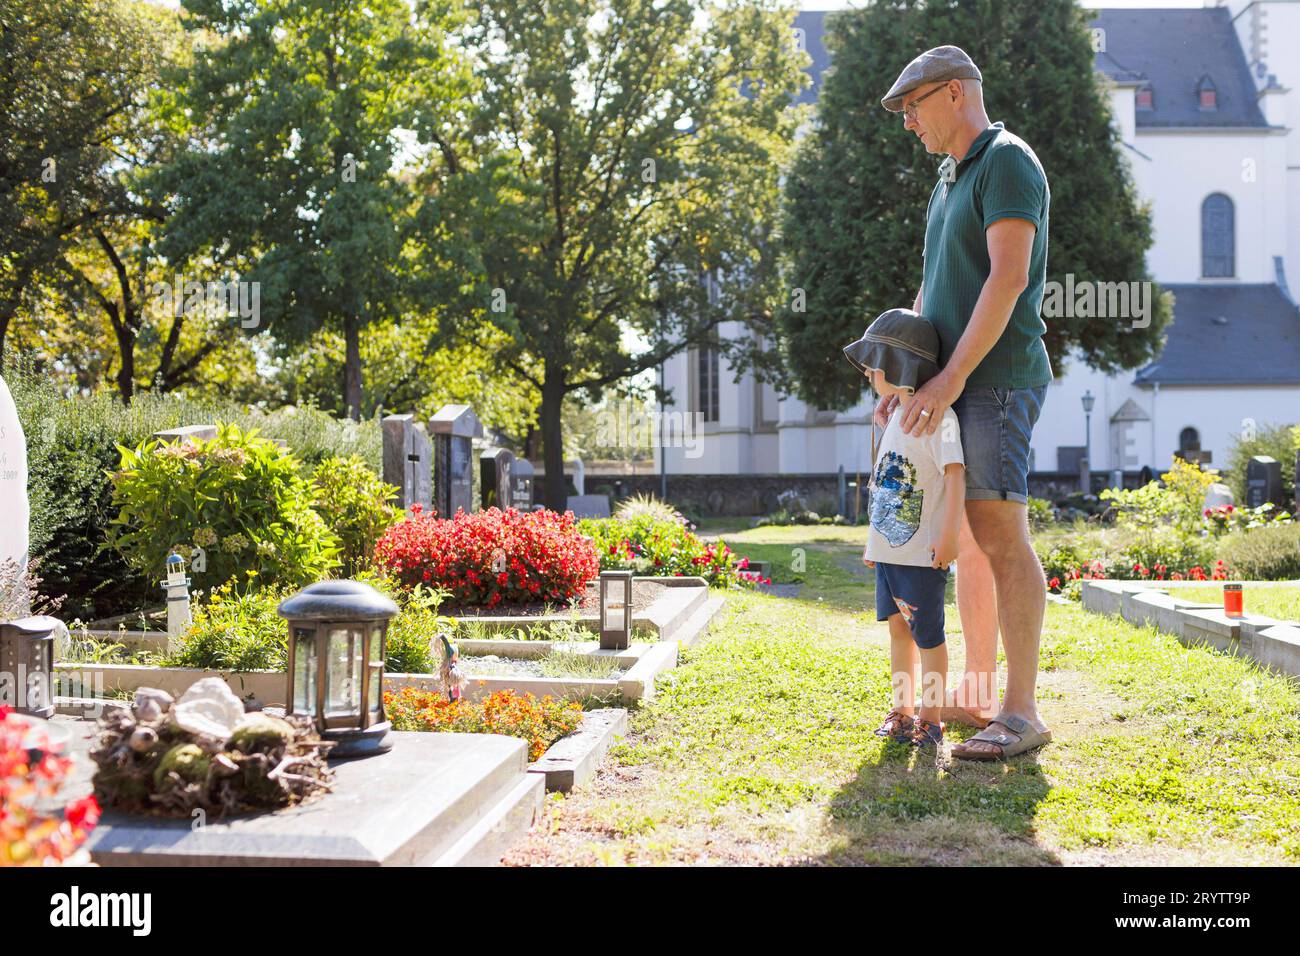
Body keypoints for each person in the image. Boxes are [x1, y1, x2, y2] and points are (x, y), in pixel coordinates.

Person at [876, 45, 1054, 758]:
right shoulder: (947, 180)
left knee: (1000, 533)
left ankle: (1022, 712)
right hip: (951, 384)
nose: (908, 123)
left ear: (954, 94)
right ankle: (984, 700)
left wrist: (950, 380)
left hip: (998, 380)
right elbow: (932, 293)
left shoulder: (1007, 160)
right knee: (969, 533)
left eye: (913, 106)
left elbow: (1007, 281)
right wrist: (907, 379)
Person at [845, 309, 965, 750]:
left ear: (898, 366)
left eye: (875, 364)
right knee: (898, 630)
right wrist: (872, 541)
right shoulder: (896, 416)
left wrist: (949, 535)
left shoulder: (940, 417)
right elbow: (884, 486)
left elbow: (955, 474)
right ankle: (902, 710)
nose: (870, 373)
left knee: (927, 636)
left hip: (921, 555)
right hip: (890, 551)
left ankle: (930, 720)